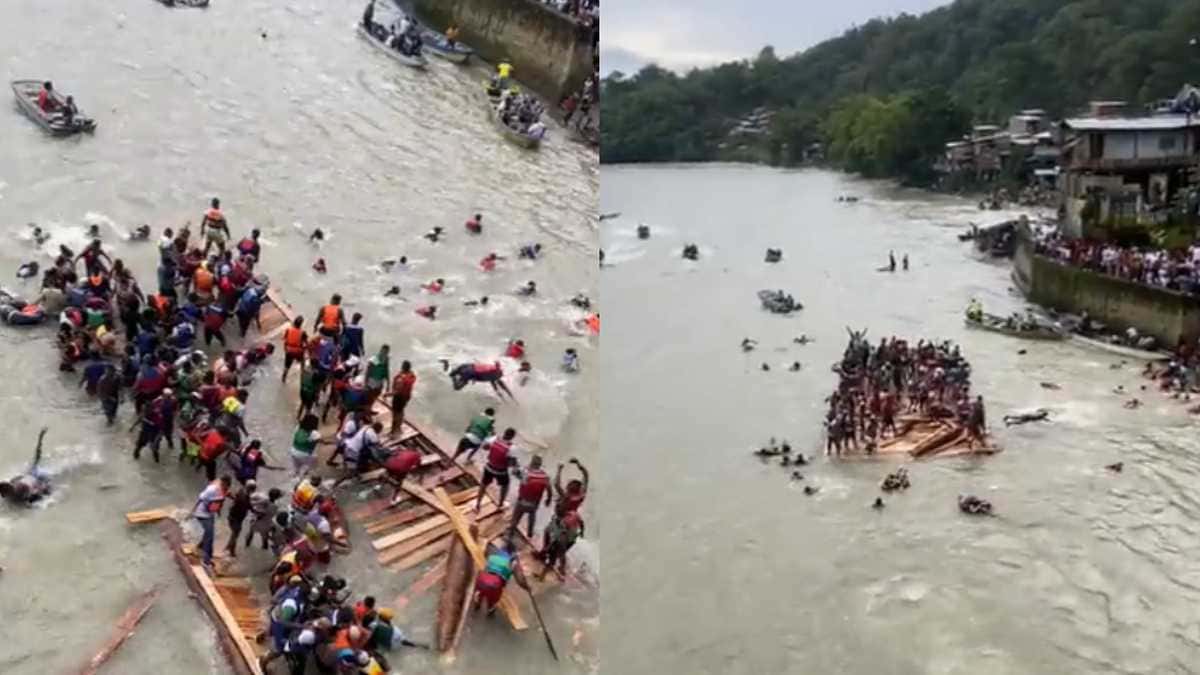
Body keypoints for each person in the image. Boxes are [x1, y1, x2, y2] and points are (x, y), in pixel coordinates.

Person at [474, 538, 528, 616]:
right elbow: (520, 580)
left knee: (480, 593)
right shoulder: (511, 563)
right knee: (492, 600)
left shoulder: (492, 557)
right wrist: (527, 587)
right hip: (495, 584)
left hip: (482, 579)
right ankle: (490, 611)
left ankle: (477, 605)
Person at [0, 428, 52, 506]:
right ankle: (40, 437)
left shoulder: (22, 490)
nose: (12, 487)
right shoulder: (12, 489)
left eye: (11, 487)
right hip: (30, 475)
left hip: (38, 477)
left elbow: (38, 491)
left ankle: (40, 437)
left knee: (36, 460)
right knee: (36, 460)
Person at [192, 475, 232, 569]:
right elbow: (200, 499)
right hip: (202, 513)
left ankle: (201, 546)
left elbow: (226, 496)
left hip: (210, 514)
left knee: (208, 533)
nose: (225, 488)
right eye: (224, 485)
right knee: (210, 536)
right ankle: (206, 560)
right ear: (222, 483)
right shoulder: (211, 490)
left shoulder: (224, 490)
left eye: (227, 487)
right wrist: (192, 511)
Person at [474, 428, 517, 510]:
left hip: (489, 467)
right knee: (505, 486)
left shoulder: (495, 439)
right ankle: (500, 504)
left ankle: (478, 503)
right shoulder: (511, 448)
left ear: (504, 433)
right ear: (512, 437)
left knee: (483, 485)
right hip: (501, 471)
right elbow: (512, 463)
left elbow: (484, 447)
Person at [509, 455, 551, 538]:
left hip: (522, 502)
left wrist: (518, 466)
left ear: (532, 462)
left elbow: (514, 472)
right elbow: (549, 490)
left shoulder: (526, 473)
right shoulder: (545, 476)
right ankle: (530, 533)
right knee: (532, 516)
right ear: (540, 465)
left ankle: (511, 533)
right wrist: (548, 500)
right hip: (534, 504)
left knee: (515, 519)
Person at [449, 361, 514, 399]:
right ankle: (453, 377)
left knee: (456, 376)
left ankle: (453, 374)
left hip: (469, 367)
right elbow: (495, 385)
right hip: (470, 372)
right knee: (457, 387)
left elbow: (495, 384)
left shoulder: (495, 369)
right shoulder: (494, 372)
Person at [225, 480, 256, 557]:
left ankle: (228, 547)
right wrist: (256, 511)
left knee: (234, 533)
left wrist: (230, 496)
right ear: (252, 489)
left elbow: (236, 499)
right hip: (236, 518)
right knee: (235, 534)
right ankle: (231, 552)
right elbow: (248, 506)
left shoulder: (241, 491)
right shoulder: (245, 498)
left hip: (233, 516)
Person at [291, 415, 323, 479]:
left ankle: (294, 479)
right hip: (306, 455)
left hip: (293, 451)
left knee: (296, 469)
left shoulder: (298, 428)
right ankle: (306, 476)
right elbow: (322, 441)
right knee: (312, 467)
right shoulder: (315, 433)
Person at [390, 360, 416, 434]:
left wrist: (387, 394)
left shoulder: (401, 378)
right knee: (401, 411)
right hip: (406, 397)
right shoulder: (411, 375)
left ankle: (393, 430)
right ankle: (399, 427)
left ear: (403, 367)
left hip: (398, 397)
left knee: (395, 413)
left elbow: (397, 391)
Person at [281, 316, 308, 383]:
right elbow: (306, 343)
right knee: (303, 362)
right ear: (301, 324)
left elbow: (285, 340)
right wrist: (305, 349)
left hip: (289, 351)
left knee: (287, 367)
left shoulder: (288, 330)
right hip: (297, 352)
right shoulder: (303, 332)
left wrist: (285, 349)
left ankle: (284, 378)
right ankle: (302, 375)